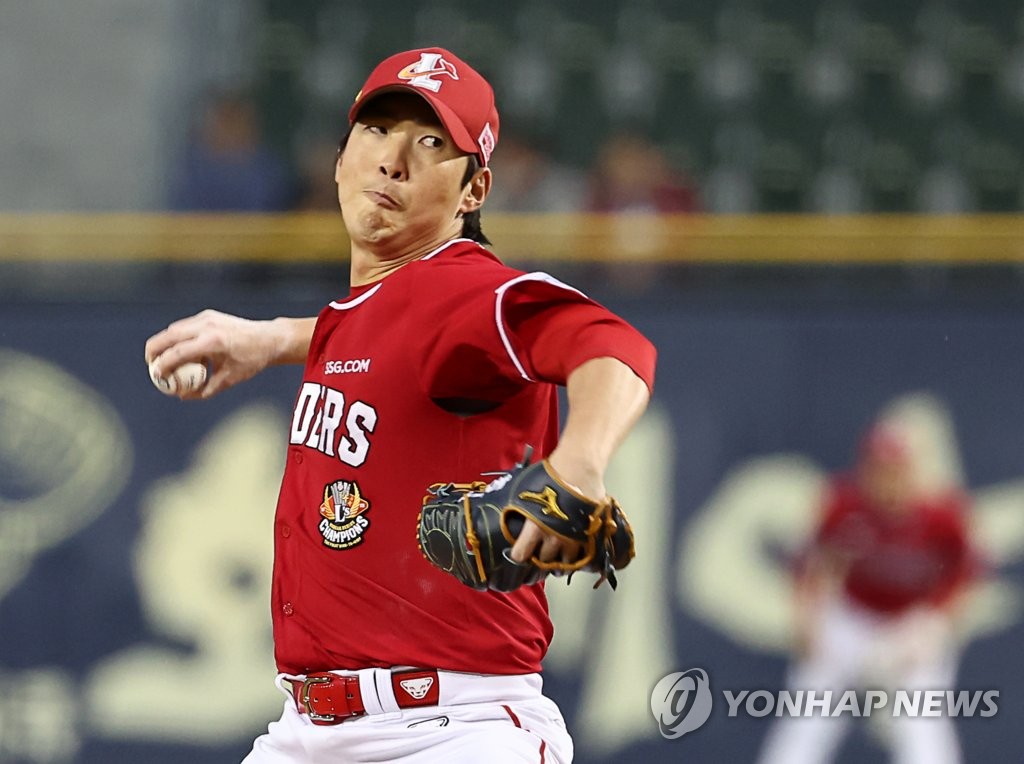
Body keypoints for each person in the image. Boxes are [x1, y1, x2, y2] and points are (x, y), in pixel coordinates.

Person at [145, 47, 656, 763]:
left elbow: (615, 347)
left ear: (473, 191)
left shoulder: (463, 291)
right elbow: (378, 335)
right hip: (309, 731)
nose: (393, 160)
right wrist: (273, 338)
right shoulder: (368, 308)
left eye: (431, 143)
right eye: (377, 131)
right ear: (338, 160)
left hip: (452, 731)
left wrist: (580, 461)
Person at [757, 421, 977, 764]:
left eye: (896, 470)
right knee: (809, 713)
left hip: (908, 623)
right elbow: (810, 565)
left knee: (922, 720)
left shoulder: (941, 516)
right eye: (879, 469)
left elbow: (964, 574)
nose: (888, 479)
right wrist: (808, 620)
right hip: (851, 620)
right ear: (866, 469)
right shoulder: (845, 505)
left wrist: (935, 624)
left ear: (913, 470)